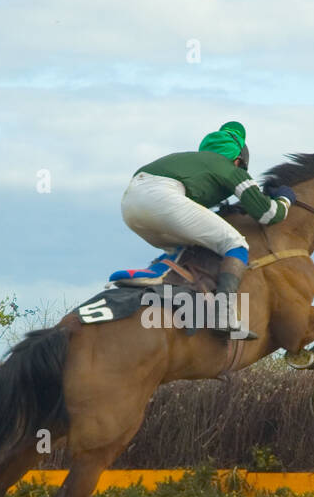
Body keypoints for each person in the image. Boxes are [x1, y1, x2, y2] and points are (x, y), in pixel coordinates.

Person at [110, 121, 291, 339]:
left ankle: (157, 272)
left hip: (130, 205)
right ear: (238, 160)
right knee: (236, 243)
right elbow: (267, 214)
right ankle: (223, 314)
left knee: (187, 242)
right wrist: (284, 199)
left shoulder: (193, 162)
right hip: (162, 198)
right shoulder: (228, 166)